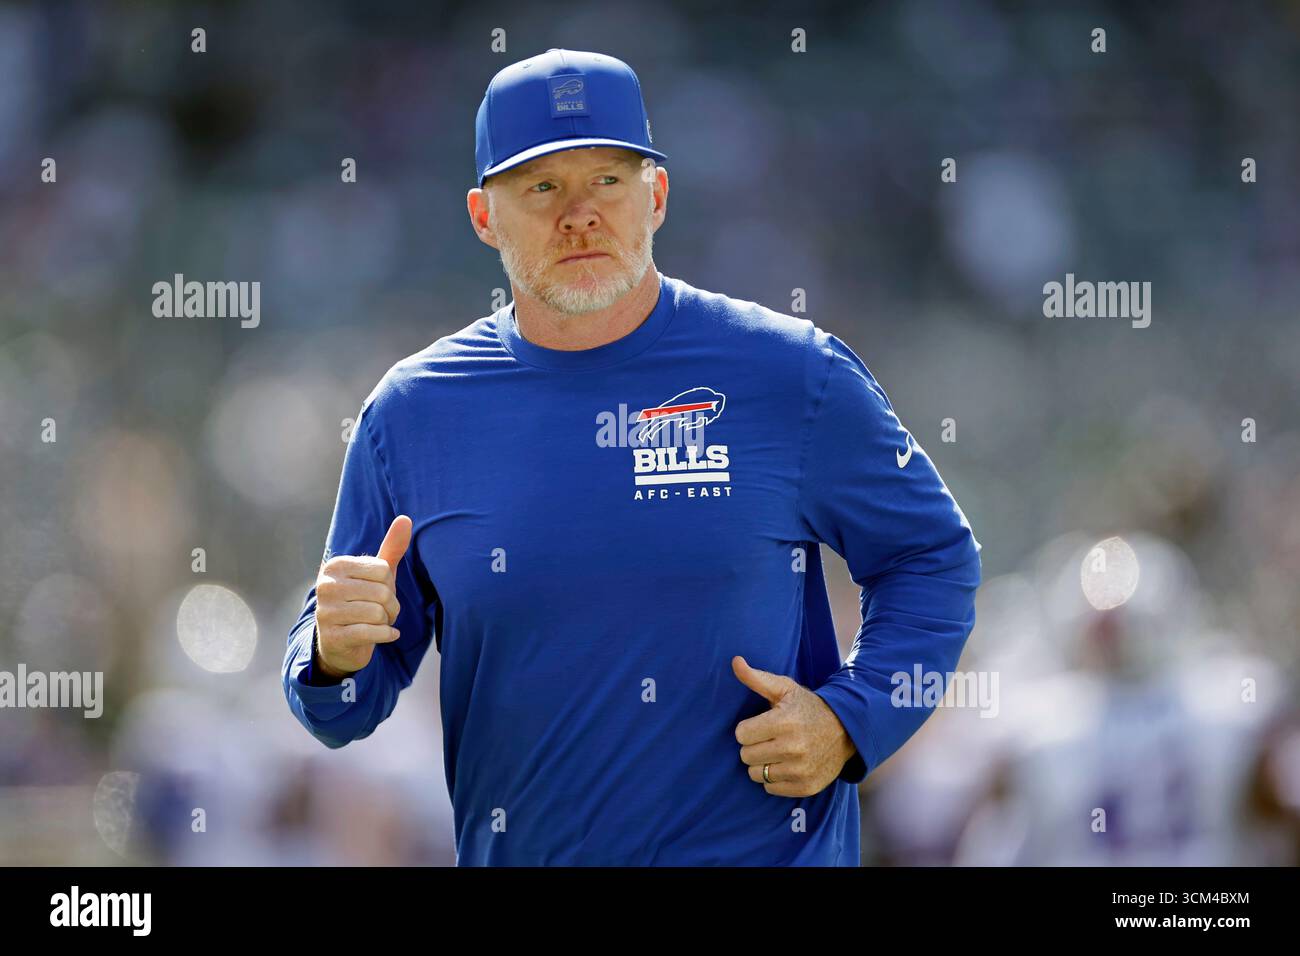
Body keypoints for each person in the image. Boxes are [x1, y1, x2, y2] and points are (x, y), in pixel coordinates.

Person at [281, 48, 982, 866]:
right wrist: (333, 654)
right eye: (542, 186)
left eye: (608, 180)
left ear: (656, 196)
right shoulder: (412, 414)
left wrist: (851, 718)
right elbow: (342, 709)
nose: (579, 213)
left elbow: (933, 558)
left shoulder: (790, 372)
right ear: (483, 217)